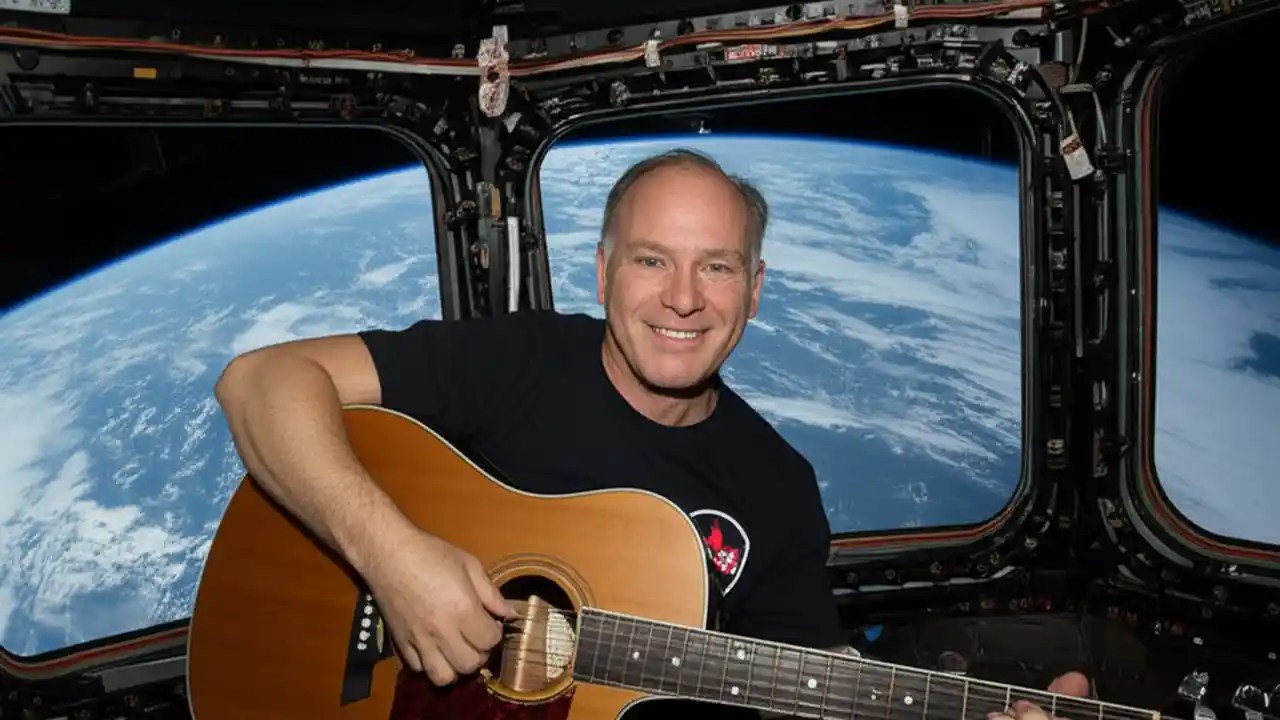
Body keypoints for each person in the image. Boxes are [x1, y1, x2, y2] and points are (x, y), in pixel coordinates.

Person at [213, 148, 1091, 717]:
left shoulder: (777, 486)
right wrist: (394, 560)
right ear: (603, 272)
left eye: (716, 267)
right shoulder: (517, 360)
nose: (682, 298)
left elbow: (813, 681)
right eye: (651, 260)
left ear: (754, 290)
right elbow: (260, 381)